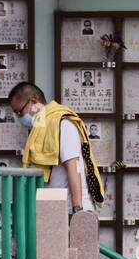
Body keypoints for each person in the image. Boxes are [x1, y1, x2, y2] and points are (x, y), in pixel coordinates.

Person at [9, 81, 106, 215]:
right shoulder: (40, 129)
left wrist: (77, 210)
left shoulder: (62, 124)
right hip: (55, 210)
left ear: (33, 102)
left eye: (19, 112)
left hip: (71, 210)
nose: (19, 117)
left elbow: (73, 167)